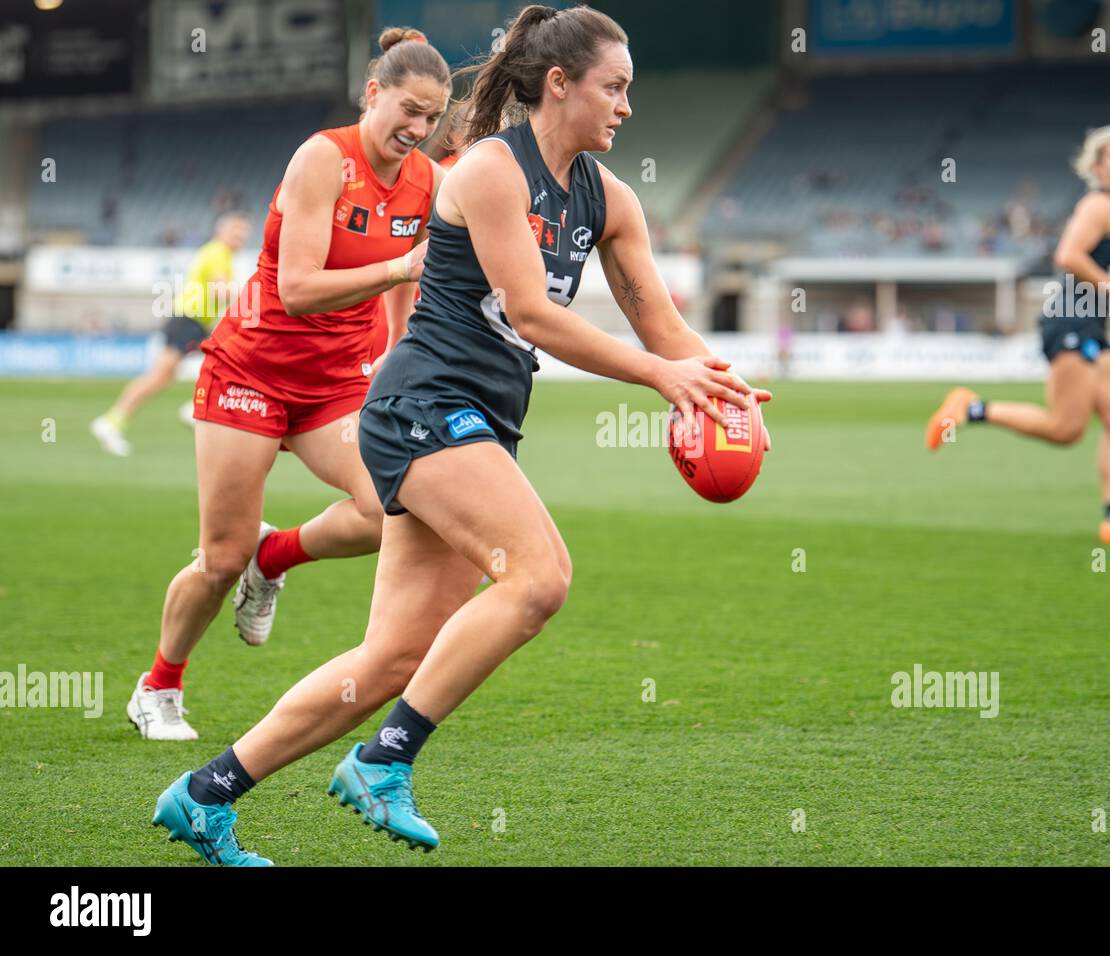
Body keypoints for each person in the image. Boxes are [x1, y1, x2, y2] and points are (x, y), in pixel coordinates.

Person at [151, 3, 770, 865]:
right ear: (560, 84)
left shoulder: (608, 198)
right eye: (615, 88)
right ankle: (383, 762)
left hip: (480, 422)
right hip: (423, 407)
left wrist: (725, 392)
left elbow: (661, 323)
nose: (628, 107)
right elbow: (532, 315)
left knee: (395, 658)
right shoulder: (487, 170)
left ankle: (206, 795)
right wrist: (663, 380)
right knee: (541, 577)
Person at [127, 28, 452, 742]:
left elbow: (409, 280)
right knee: (218, 560)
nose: (419, 129)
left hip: (336, 384)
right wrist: (400, 269)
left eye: (432, 117)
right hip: (251, 371)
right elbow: (302, 288)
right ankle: (159, 687)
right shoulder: (322, 157)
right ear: (373, 93)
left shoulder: (426, 180)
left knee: (387, 507)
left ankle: (275, 558)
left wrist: (396, 355)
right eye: (408, 109)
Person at [925, 125, 1110, 543]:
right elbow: (1068, 256)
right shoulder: (1098, 204)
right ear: (1097, 166)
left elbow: (1095, 267)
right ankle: (970, 408)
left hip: (1092, 323)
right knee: (1065, 429)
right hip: (1070, 321)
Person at [92, 212, 251, 455]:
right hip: (189, 321)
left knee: (182, 372)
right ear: (221, 232)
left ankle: (117, 420)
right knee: (226, 361)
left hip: (193, 322)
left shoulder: (215, 252)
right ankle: (115, 421)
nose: (239, 239)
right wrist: (252, 299)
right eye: (235, 232)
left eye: (243, 234)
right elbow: (220, 291)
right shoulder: (219, 252)